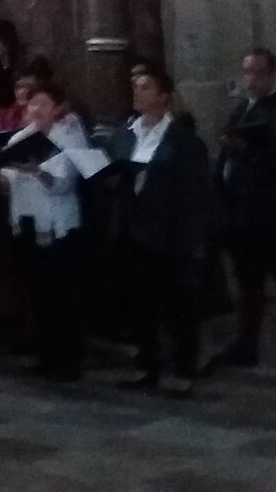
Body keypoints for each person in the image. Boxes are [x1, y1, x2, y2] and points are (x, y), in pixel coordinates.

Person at [111, 64, 215, 397]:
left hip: (170, 236)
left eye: (145, 87)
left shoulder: (184, 141)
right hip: (134, 233)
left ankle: (184, 368)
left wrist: (192, 241)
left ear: (164, 97)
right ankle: (147, 364)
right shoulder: (126, 134)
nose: (137, 92)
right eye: (136, 87)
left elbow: (195, 194)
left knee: (179, 307)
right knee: (141, 306)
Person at [211, 47, 276, 375]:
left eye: (257, 72)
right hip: (243, 217)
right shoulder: (242, 110)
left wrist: (245, 152)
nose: (250, 79)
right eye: (246, 72)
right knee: (249, 285)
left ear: (272, 75)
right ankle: (247, 344)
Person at [0, 80, 94, 381]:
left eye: (42, 104)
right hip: (27, 221)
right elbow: (7, 175)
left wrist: (37, 171)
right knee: (37, 292)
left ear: (57, 108)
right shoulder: (22, 137)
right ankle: (46, 353)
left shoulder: (70, 139)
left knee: (61, 294)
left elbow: (64, 184)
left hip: (57, 226)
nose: (35, 109)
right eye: (32, 104)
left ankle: (68, 359)